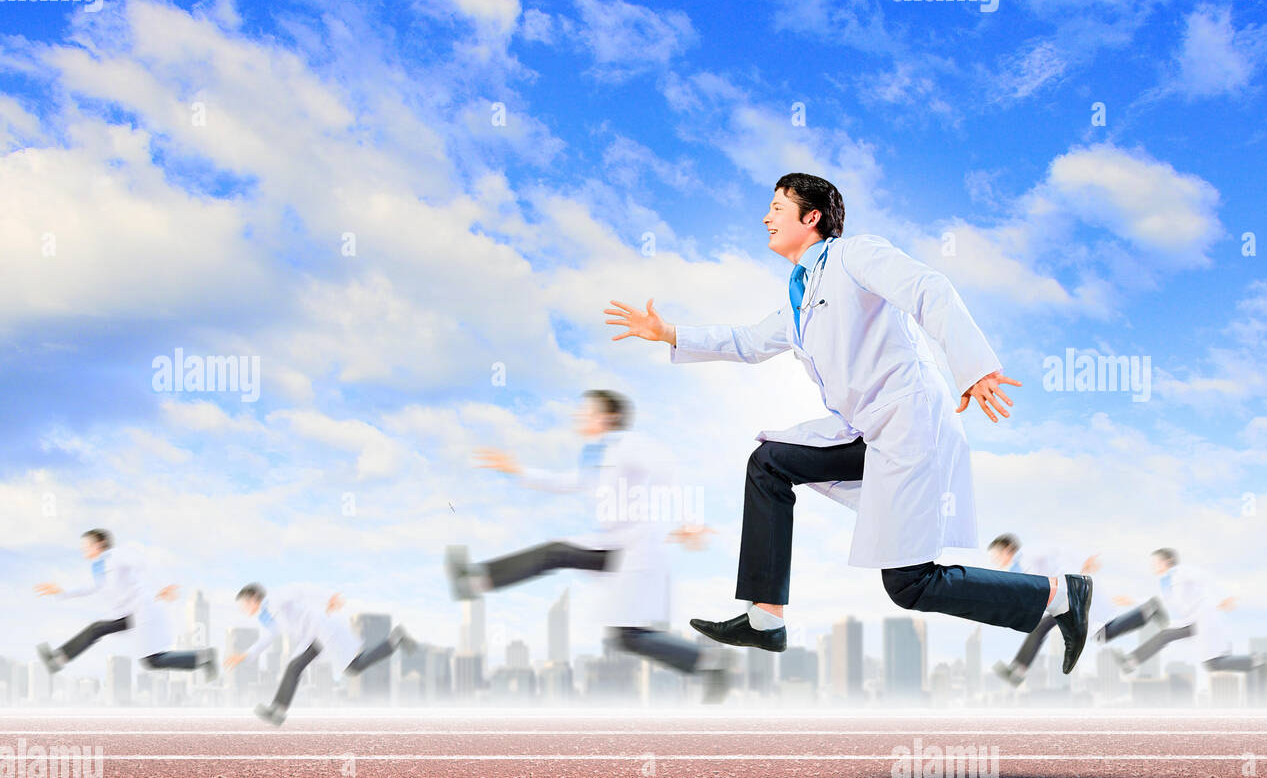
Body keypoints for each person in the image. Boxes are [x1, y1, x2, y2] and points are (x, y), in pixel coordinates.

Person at [605, 173, 1091, 673]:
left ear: (810, 217)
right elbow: (748, 342)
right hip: (870, 436)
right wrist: (668, 333)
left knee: (910, 584)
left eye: (777, 207)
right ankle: (765, 617)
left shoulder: (854, 256)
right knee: (769, 462)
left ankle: (1059, 595)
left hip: (909, 426)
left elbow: (928, 288)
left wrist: (974, 366)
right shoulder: (799, 299)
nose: (765, 217)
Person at [445, 389, 732, 703]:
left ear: (609, 417)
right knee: (624, 634)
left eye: (588, 411)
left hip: (633, 549)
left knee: (570, 568)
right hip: (615, 549)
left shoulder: (631, 446)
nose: (579, 416)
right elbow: (569, 481)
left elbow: (666, 471)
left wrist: (690, 521)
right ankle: (709, 664)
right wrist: (518, 471)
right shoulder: (601, 455)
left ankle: (475, 580)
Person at [35, 528, 217, 681]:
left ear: (99, 544)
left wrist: (163, 585)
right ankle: (58, 659)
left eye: (87, 545)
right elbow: (91, 587)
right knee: (96, 629)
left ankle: (203, 658)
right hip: (129, 614)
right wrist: (62, 591)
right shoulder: (99, 566)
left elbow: (143, 564)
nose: (83, 549)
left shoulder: (116, 556)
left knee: (151, 661)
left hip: (143, 608)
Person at [225, 583, 416, 725]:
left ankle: (395, 639)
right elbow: (267, 638)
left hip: (322, 630)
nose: (244, 609)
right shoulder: (266, 617)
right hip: (312, 638)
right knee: (294, 666)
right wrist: (244, 655)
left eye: (244, 604)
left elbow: (301, 591)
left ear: (255, 598)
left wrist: (329, 597)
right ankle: (278, 711)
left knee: (354, 668)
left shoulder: (274, 599)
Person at [1095, 548, 1267, 681]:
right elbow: (1161, 599)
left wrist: (1223, 598)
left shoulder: (1182, 571)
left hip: (1205, 618)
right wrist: (1132, 600)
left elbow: (1206, 578)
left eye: (1156, 562)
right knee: (1164, 635)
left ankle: (1257, 660)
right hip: (1191, 622)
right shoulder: (1167, 582)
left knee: (1212, 664)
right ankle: (1130, 662)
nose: (1153, 566)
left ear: (1167, 561)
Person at [986, 534, 1101, 686]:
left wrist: (1084, 563)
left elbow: (1056, 554)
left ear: (1007, 550)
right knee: (1040, 629)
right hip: (1063, 595)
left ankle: (1018, 671)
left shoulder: (1028, 556)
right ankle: (1018, 671)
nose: (996, 560)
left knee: (1044, 629)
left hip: (1068, 593)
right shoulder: (1019, 563)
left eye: (997, 556)